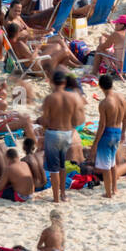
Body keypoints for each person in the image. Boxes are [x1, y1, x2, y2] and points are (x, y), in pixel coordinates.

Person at [40, 70, 85, 203]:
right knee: (62, 165)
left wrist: (43, 128)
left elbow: (45, 119)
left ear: (53, 82)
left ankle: (55, 198)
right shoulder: (73, 97)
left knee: (53, 168)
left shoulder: (50, 98)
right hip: (67, 133)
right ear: (64, 82)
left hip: (53, 133)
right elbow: (78, 120)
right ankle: (63, 194)